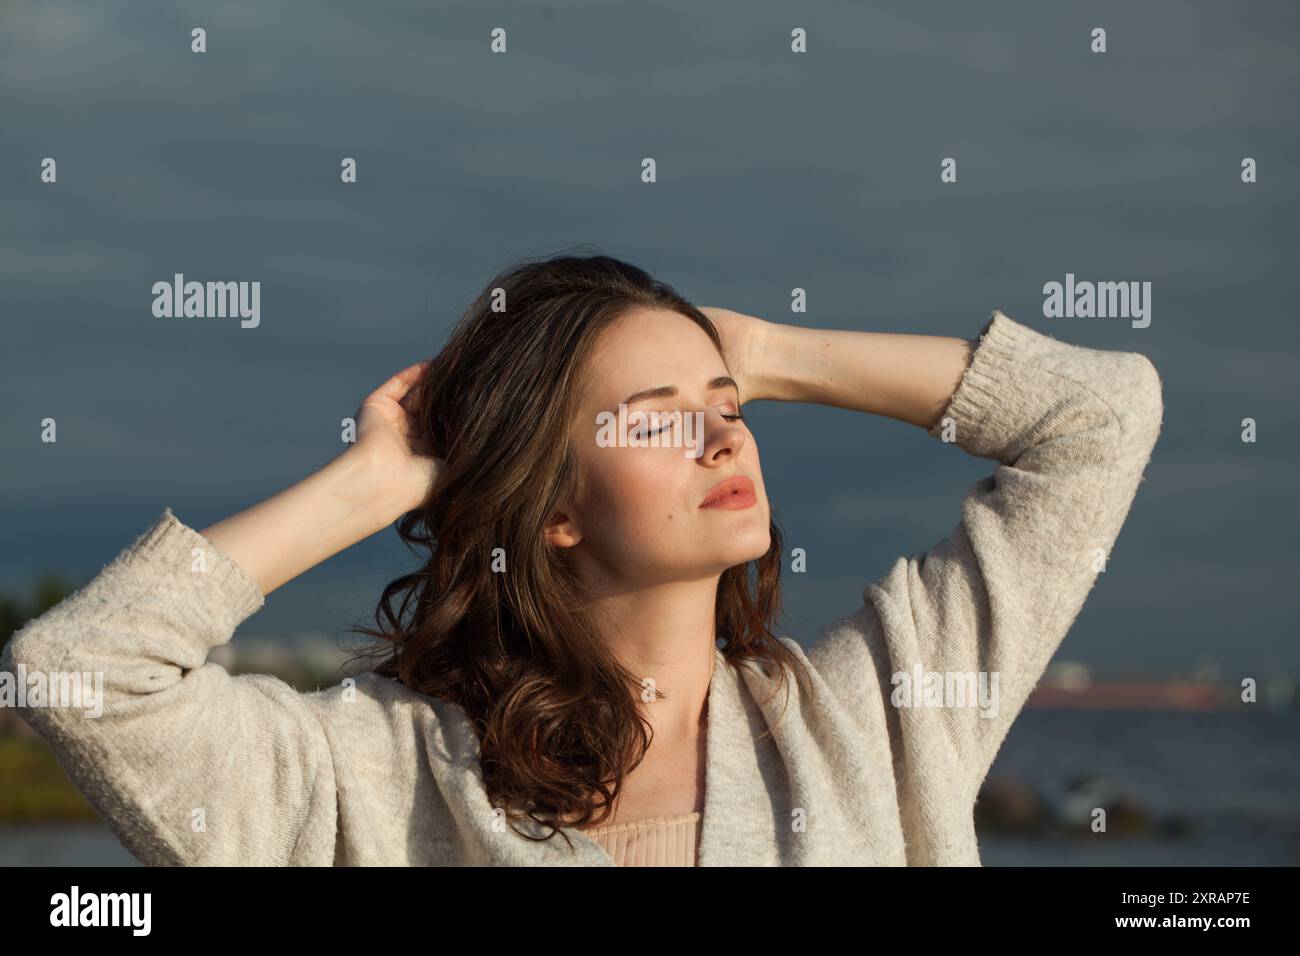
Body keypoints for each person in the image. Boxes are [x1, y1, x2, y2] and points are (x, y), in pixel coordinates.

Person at [1, 253, 1164, 866]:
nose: (721, 431)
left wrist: (767, 350)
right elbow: (82, 673)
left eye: (730, 405)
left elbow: (1099, 420)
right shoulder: (379, 776)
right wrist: (384, 476)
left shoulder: (880, 715)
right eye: (658, 416)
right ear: (552, 506)